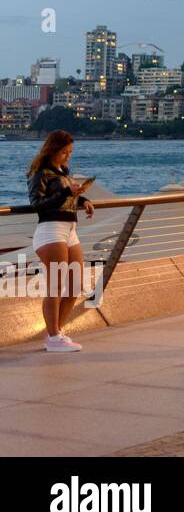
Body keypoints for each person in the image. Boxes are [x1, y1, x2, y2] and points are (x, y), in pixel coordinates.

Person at [26, 131, 95, 353]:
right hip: (51, 230)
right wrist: (67, 191)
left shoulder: (62, 171)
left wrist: (82, 199)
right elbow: (38, 204)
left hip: (70, 230)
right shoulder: (40, 172)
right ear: (52, 149)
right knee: (55, 286)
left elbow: (66, 194)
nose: (68, 157)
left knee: (75, 285)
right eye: (64, 152)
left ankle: (57, 333)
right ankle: (54, 337)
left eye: (70, 152)